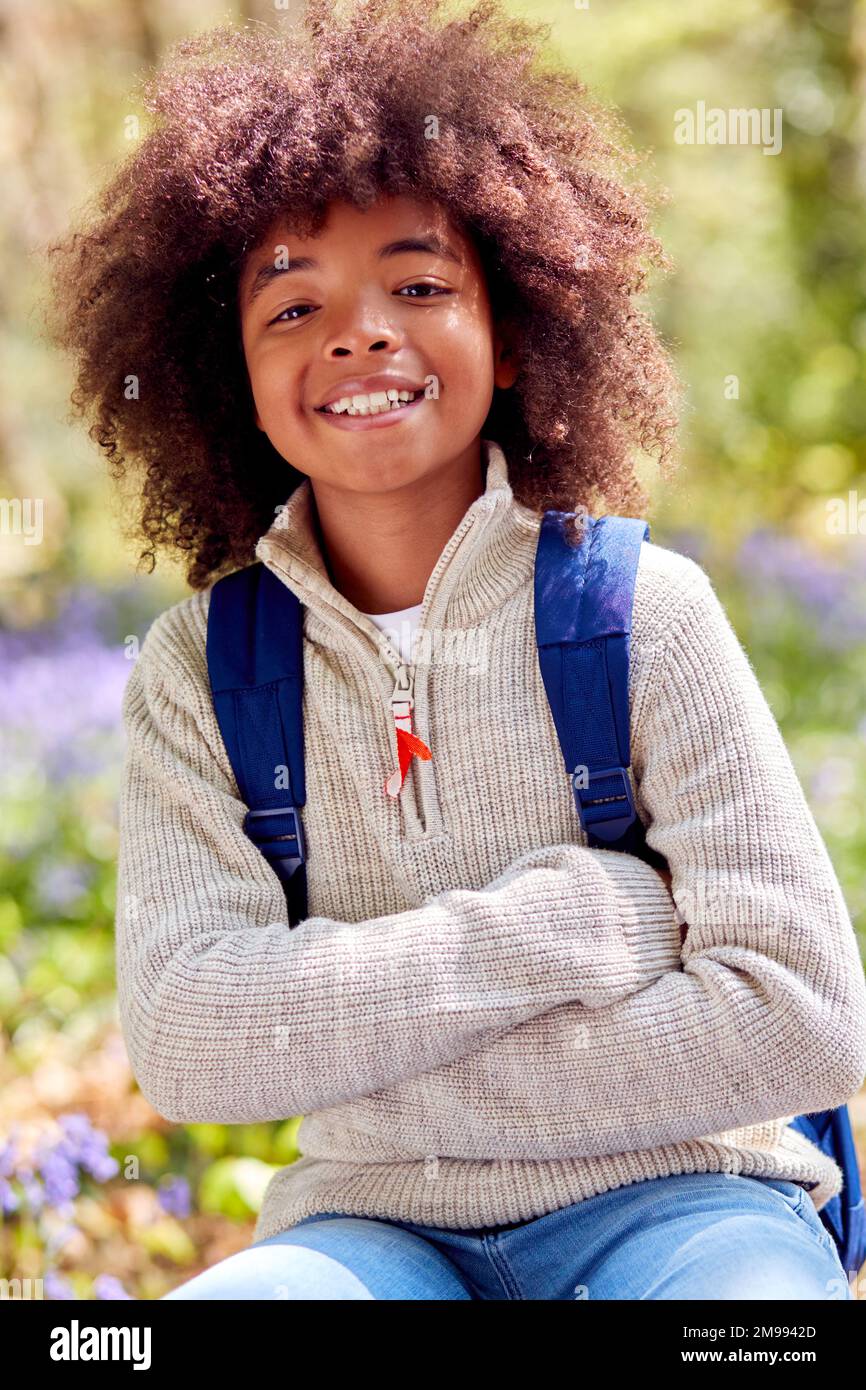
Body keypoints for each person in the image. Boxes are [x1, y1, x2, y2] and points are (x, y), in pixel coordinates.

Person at [44, 0, 866, 1300]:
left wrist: (352, 1049)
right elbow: (196, 1044)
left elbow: (803, 1015)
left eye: (419, 286)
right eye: (292, 303)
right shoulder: (199, 675)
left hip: (691, 1206)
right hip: (368, 1234)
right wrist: (571, 924)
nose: (359, 331)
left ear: (519, 324)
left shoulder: (643, 613)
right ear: (224, 370)